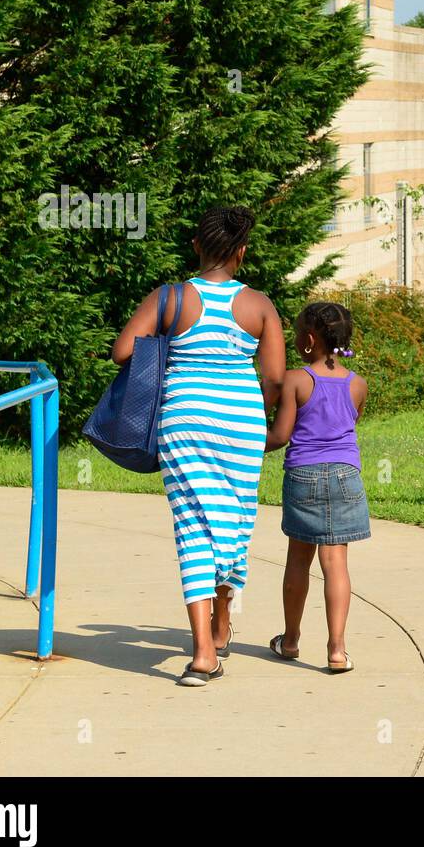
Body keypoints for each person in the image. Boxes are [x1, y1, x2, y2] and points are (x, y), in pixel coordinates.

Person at [111, 206, 285, 686]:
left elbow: (123, 350)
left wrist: (170, 348)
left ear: (196, 247)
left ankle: (204, 653)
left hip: (183, 421)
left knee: (192, 528)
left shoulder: (170, 297)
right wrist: (257, 422)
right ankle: (220, 621)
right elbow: (273, 380)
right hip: (242, 425)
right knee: (235, 519)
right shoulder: (259, 305)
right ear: (242, 253)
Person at [265, 301, 369, 673]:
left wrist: (246, 442)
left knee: (298, 559)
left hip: (304, 476)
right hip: (346, 475)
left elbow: (280, 436)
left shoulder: (296, 380)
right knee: (335, 562)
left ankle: (290, 640)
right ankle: (337, 650)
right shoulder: (357, 384)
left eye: (295, 333)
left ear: (309, 340)